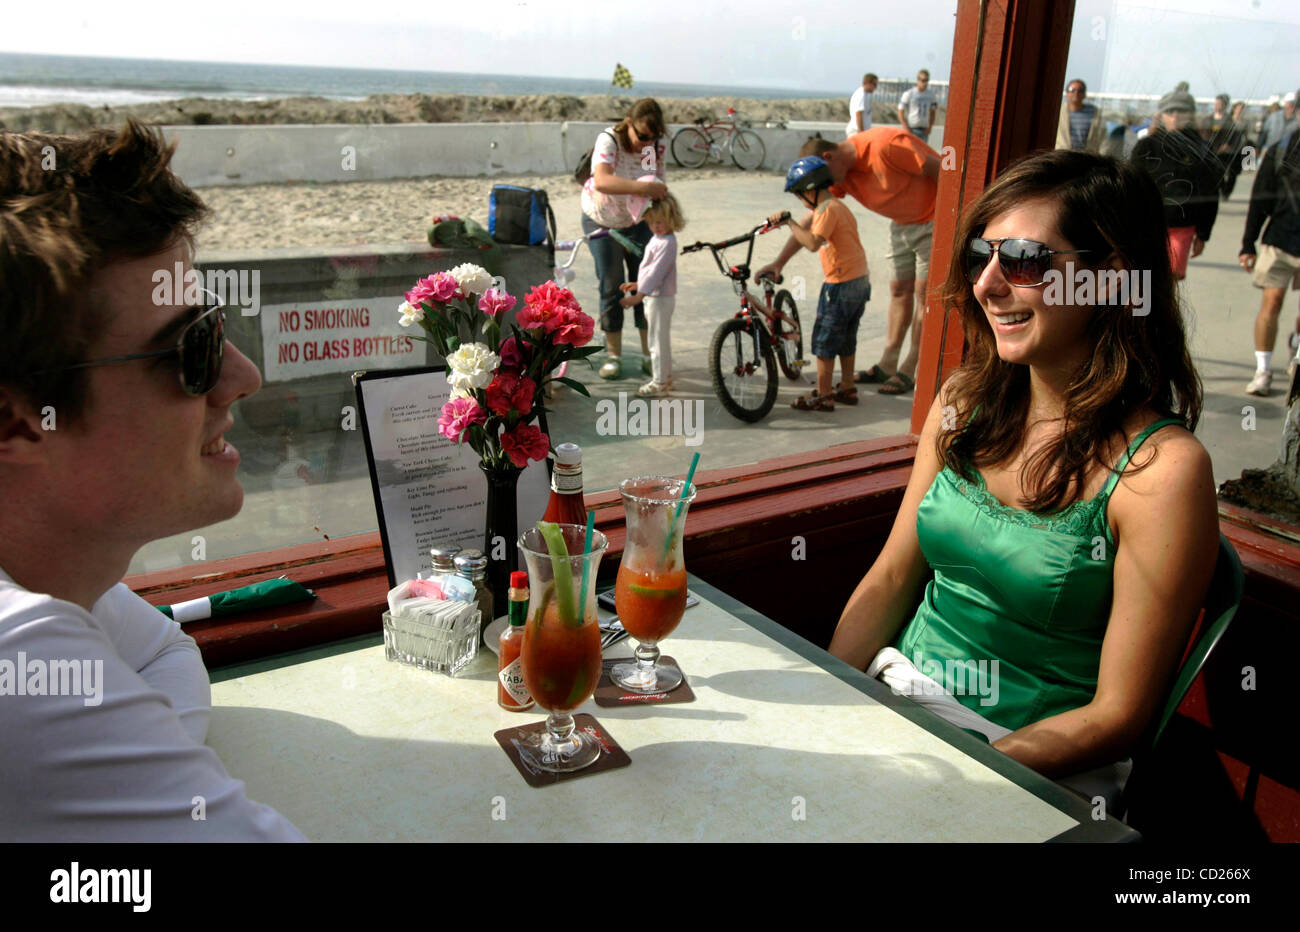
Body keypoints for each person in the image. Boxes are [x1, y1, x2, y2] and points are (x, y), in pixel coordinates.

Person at [828, 149, 1219, 804]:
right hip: (900, 710)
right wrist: (826, 703)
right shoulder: (963, 403)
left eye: (1025, 261)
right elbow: (893, 576)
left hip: (1029, 765)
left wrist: (956, 782)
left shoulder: (1162, 471)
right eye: (981, 256)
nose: (987, 284)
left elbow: (1117, 714)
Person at [0, 121, 305, 840]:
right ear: (15, 424)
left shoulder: (61, 587)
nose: (242, 376)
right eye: (189, 348)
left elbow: (166, 652)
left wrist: (129, 759)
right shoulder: (20, 653)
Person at [759, 128, 939, 396]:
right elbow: (812, 219)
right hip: (901, 225)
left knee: (925, 295)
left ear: (829, 156)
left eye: (823, 179)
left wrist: (954, 217)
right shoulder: (839, 175)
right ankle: (888, 363)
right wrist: (779, 263)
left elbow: (945, 169)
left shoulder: (886, 146)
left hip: (934, 220)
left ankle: (911, 367)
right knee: (900, 290)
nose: (825, 186)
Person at [766, 157, 870, 412]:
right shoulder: (835, 206)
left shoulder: (826, 210)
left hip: (840, 284)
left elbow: (812, 243)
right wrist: (778, 262)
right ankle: (847, 386)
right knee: (846, 338)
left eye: (800, 195)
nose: (800, 201)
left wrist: (788, 222)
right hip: (859, 282)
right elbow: (804, 231)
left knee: (824, 342)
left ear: (811, 189)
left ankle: (824, 395)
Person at [581, 98, 668, 380]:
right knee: (612, 285)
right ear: (629, 124)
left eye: (652, 139)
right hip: (602, 219)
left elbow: (654, 181)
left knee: (645, 285)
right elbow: (603, 180)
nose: (646, 144)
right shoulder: (610, 141)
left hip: (638, 220)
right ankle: (614, 356)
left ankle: (647, 354)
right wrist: (644, 187)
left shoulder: (650, 147)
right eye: (642, 136)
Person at [1129, 86, 1220, 280]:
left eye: (1182, 111)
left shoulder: (1202, 151)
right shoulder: (1147, 146)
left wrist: (1204, 234)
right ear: (1162, 115)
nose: (1176, 116)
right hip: (1148, 225)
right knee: (1140, 279)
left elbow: (1210, 193)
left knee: (1169, 281)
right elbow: (1130, 187)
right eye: (1170, 111)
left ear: (1192, 115)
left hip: (1182, 226)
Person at [1239, 129, 1300, 396]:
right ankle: (1263, 370)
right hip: (1280, 240)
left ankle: (1297, 347)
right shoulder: (1280, 149)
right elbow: (1260, 198)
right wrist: (1247, 244)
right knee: (1272, 301)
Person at [618, 193, 685, 397]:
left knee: (656, 341)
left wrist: (638, 295)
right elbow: (652, 272)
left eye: (661, 222)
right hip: (655, 294)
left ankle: (659, 381)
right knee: (660, 339)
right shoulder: (660, 239)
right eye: (652, 222)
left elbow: (657, 273)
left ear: (671, 219)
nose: (656, 226)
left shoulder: (667, 243)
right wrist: (639, 284)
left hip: (659, 298)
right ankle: (666, 377)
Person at [1055, 78, 1106, 153]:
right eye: (1072, 90)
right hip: (1063, 156)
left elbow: (1103, 138)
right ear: (1067, 94)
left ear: (1084, 94)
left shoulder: (1094, 113)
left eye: (1080, 90)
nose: (1076, 93)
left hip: (1087, 158)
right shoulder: (1059, 112)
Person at [897, 70, 938, 144]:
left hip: (924, 130)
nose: (925, 83)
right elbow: (900, 111)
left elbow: (933, 112)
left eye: (926, 80)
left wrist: (930, 127)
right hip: (912, 129)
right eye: (923, 80)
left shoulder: (931, 95)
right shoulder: (909, 93)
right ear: (918, 80)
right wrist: (906, 127)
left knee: (922, 154)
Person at [845, 73, 878, 138]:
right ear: (868, 83)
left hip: (860, 131)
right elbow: (858, 114)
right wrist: (861, 133)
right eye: (874, 84)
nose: (875, 87)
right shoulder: (861, 94)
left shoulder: (866, 95)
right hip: (856, 131)